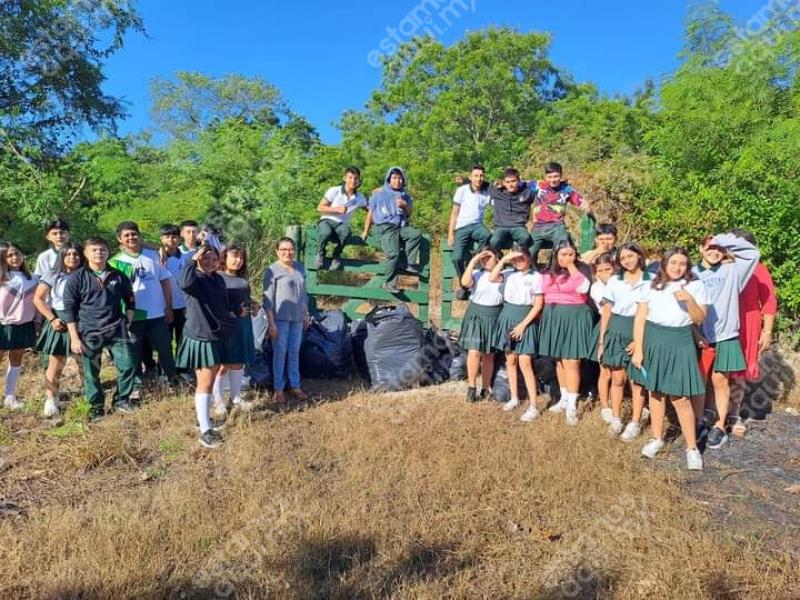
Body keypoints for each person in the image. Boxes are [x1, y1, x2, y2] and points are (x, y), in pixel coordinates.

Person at [630, 247, 708, 471]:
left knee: (680, 398)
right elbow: (640, 319)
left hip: (681, 341)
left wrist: (689, 300)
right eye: (673, 262)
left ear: (688, 266)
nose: (677, 267)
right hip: (654, 339)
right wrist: (639, 349)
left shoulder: (695, 285)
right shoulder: (650, 285)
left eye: (682, 263)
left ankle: (692, 449)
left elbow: (700, 319)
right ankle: (657, 438)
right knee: (655, 392)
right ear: (665, 264)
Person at [692, 232, 759, 449]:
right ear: (701, 249)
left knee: (720, 381)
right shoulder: (691, 273)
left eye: (719, 249)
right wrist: (695, 332)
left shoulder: (733, 271)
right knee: (699, 381)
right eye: (710, 247)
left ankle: (719, 427)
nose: (714, 252)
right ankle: (698, 420)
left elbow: (752, 253)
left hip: (726, 335)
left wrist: (721, 239)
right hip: (701, 335)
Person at [63, 237, 137, 419]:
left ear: (108, 252)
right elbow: (69, 310)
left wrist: (127, 322)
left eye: (102, 250)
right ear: (86, 254)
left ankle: (121, 400)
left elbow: (130, 301)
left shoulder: (118, 275)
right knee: (91, 373)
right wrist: (74, 338)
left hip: (116, 329)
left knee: (128, 365)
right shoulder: (76, 278)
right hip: (89, 331)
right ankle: (96, 408)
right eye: (94, 250)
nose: (99, 253)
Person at [176, 244, 236, 448]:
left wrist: (233, 314)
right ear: (198, 259)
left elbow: (222, 304)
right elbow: (184, 282)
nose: (210, 262)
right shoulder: (194, 278)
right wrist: (193, 259)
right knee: (205, 381)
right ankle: (205, 431)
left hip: (217, 334)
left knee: (214, 375)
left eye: (214, 259)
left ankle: (203, 419)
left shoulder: (217, 278)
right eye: (205, 258)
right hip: (201, 336)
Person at [109, 221, 177, 390]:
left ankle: (170, 379)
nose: (131, 238)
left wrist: (168, 306)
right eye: (126, 235)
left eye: (134, 234)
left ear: (139, 235)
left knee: (165, 348)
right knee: (134, 352)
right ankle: (137, 384)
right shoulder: (114, 262)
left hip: (157, 313)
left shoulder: (153, 255)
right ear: (119, 239)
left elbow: (165, 281)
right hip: (133, 315)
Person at [538, 239, 594, 426]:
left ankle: (572, 406)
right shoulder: (548, 273)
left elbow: (584, 288)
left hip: (575, 316)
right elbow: (541, 293)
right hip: (554, 317)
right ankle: (563, 398)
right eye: (563, 254)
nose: (567, 258)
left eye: (571, 254)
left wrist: (572, 267)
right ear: (556, 255)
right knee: (560, 360)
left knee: (572, 361)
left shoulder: (582, 270)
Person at [598, 243, 650, 441]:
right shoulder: (614, 281)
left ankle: (635, 422)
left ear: (639, 255)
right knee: (617, 378)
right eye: (623, 258)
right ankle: (617, 418)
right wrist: (603, 340)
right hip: (616, 328)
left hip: (639, 329)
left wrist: (639, 341)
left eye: (630, 256)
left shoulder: (651, 281)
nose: (627, 261)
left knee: (636, 381)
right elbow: (607, 310)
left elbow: (648, 313)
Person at [728, 228, 777, 437]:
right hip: (724, 320)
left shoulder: (759, 269)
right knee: (717, 369)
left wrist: (767, 331)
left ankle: (734, 413)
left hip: (748, 321)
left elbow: (769, 302)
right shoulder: (722, 267)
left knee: (740, 369)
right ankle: (712, 411)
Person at [489, 244, 545, 422]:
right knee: (510, 360)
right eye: (515, 259)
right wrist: (505, 259)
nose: (519, 262)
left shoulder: (536, 277)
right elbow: (492, 277)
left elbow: (538, 304)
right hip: (507, 316)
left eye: (521, 258)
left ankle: (534, 406)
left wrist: (523, 325)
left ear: (529, 257)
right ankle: (514, 398)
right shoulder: (508, 274)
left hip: (525, 319)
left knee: (525, 361)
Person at [32, 242, 84, 417]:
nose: (72, 257)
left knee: (86, 361)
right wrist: (52, 318)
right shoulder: (53, 274)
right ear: (62, 256)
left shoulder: (86, 273)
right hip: (59, 321)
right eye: (68, 254)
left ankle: (88, 392)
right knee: (56, 363)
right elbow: (38, 298)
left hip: (83, 320)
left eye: (76, 254)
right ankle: (51, 398)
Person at [212, 243, 257, 416]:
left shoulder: (243, 279)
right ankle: (218, 401)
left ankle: (236, 398)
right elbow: (216, 303)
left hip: (244, 325)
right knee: (223, 365)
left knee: (238, 362)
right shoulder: (217, 277)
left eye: (241, 258)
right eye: (234, 257)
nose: (238, 261)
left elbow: (245, 297)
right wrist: (232, 312)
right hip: (227, 326)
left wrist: (254, 304)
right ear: (225, 258)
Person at [263, 237, 309, 403]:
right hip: (279, 319)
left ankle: (295, 386)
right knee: (280, 353)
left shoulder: (299, 267)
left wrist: (306, 314)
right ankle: (278, 388)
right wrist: (271, 323)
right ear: (277, 251)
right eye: (283, 249)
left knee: (294, 351)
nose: (287, 252)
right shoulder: (272, 270)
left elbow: (303, 294)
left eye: (290, 249)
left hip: (297, 317)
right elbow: (267, 299)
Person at [363, 167, 422, 294]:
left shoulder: (405, 195)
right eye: (394, 177)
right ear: (389, 179)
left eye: (400, 178)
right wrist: (365, 231)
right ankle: (389, 283)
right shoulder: (379, 193)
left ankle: (406, 263)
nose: (398, 180)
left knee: (415, 234)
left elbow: (409, 213)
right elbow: (370, 213)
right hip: (384, 228)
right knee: (393, 253)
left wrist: (404, 205)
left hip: (399, 227)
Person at [457, 247, 503, 403]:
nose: (486, 261)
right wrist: (474, 260)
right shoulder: (477, 274)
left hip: (494, 315)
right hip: (476, 313)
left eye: (489, 257)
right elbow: (464, 282)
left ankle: (485, 388)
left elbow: (496, 280)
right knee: (474, 351)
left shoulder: (505, 275)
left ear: (497, 258)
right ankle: (471, 388)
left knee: (488, 354)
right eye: (483, 258)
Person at [528, 162, 591, 265]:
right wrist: (501, 185)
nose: (553, 180)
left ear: (561, 176)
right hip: (538, 226)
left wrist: (585, 203)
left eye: (556, 176)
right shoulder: (538, 185)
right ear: (545, 176)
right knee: (529, 252)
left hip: (556, 225)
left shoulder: (566, 189)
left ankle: (555, 269)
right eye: (549, 177)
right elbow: (517, 184)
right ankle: (532, 271)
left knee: (562, 246)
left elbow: (579, 200)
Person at [0, 242, 38, 410]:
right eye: (9, 255)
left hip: (23, 324)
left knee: (16, 359)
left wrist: (38, 321)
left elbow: (39, 302)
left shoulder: (33, 279)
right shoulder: (2, 279)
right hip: (2, 325)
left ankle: (10, 396)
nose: (15, 258)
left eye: (17, 253)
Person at [447, 165, 492, 300]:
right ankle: (464, 283)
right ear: (470, 177)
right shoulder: (462, 190)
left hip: (477, 226)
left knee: (487, 235)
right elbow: (454, 213)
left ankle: (476, 265)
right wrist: (450, 233)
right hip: (462, 227)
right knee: (456, 258)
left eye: (481, 176)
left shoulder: (486, 193)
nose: (479, 178)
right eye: (476, 175)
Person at [316, 166, 368, 270]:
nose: (353, 181)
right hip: (327, 219)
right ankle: (320, 253)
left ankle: (336, 255)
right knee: (325, 233)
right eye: (350, 177)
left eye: (356, 178)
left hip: (341, 224)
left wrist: (366, 230)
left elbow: (370, 210)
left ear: (359, 180)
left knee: (346, 233)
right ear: (345, 178)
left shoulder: (359, 197)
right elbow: (320, 208)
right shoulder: (334, 190)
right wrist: (337, 209)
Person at [588, 252, 615, 428]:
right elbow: (609, 307)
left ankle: (615, 401)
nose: (605, 273)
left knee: (621, 372)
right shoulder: (596, 288)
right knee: (605, 369)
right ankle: (605, 405)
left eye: (608, 269)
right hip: (606, 327)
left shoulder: (621, 283)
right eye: (601, 270)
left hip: (624, 325)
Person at [158, 224, 190, 370]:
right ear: (161, 238)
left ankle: (182, 370)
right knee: (165, 341)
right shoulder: (156, 257)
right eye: (167, 236)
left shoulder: (186, 257)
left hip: (184, 306)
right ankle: (165, 372)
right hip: (163, 307)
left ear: (179, 238)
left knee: (183, 340)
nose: (171, 239)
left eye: (174, 236)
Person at [488, 168, 533, 251]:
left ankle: (520, 258)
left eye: (513, 181)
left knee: (525, 238)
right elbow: (480, 184)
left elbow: (541, 184)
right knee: (494, 241)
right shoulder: (496, 192)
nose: (511, 184)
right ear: (503, 183)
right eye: (508, 182)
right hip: (501, 226)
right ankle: (499, 259)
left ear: (519, 181)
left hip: (518, 226)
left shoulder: (526, 192)